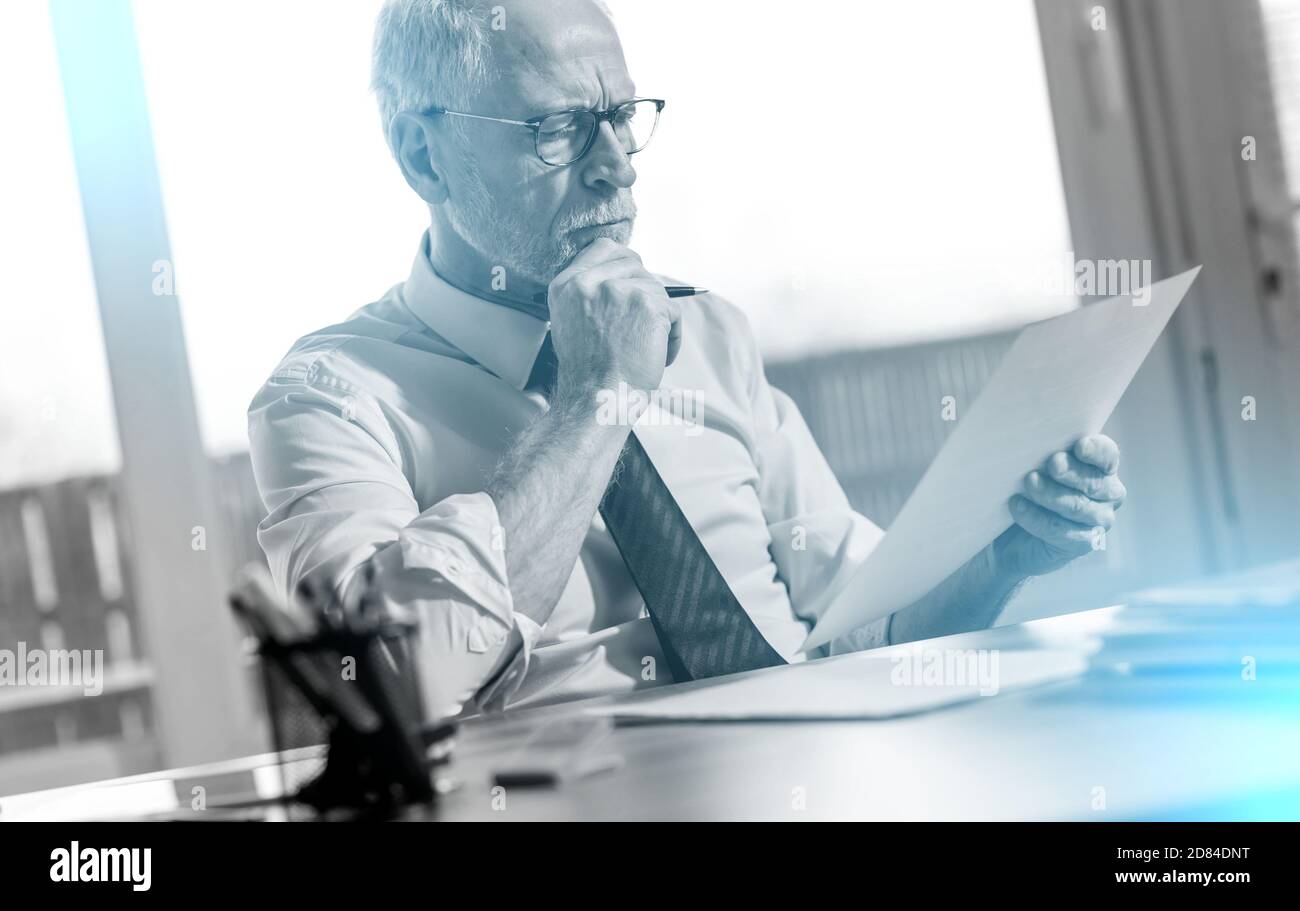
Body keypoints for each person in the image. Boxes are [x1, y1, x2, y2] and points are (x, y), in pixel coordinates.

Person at [248, 0, 1127, 718]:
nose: (616, 168)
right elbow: (387, 687)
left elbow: (859, 632)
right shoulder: (329, 400)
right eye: (557, 128)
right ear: (422, 156)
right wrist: (597, 397)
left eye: (620, 118)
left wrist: (1001, 559)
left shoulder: (708, 334)